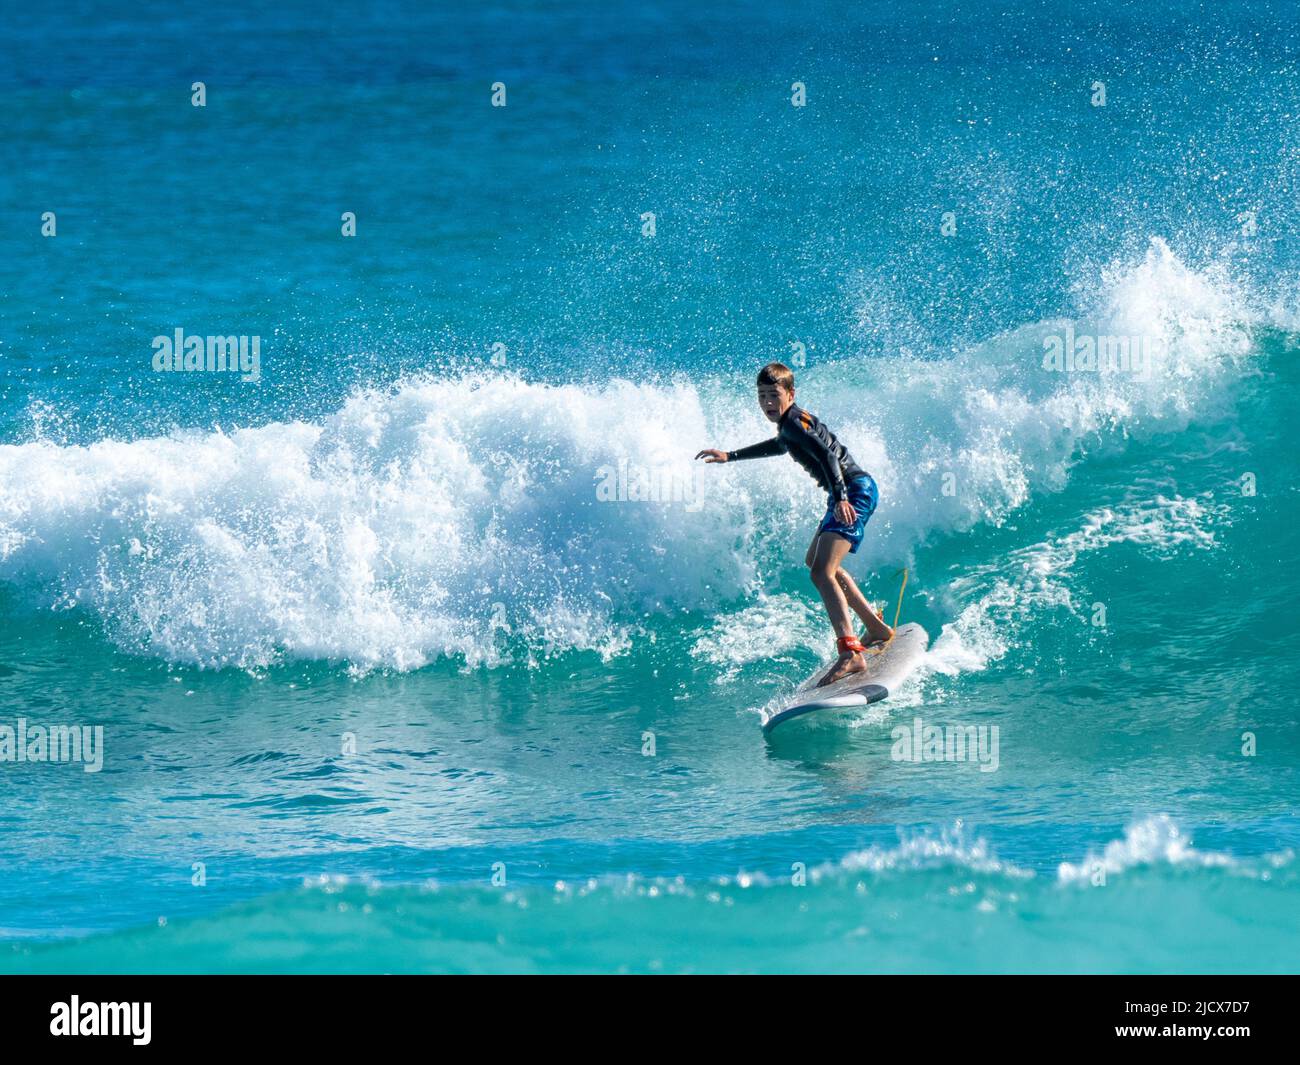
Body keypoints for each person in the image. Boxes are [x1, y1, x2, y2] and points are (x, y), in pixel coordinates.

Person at [695, 362, 892, 686]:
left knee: (821, 571)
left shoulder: (796, 425)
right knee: (816, 563)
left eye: (774, 395)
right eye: (762, 396)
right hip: (847, 490)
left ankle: (851, 653)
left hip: (853, 491)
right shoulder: (790, 426)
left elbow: (829, 456)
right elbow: (779, 446)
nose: (767, 403)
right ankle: (875, 628)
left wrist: (841, 498)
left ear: (791, 393)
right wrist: (730, 455)